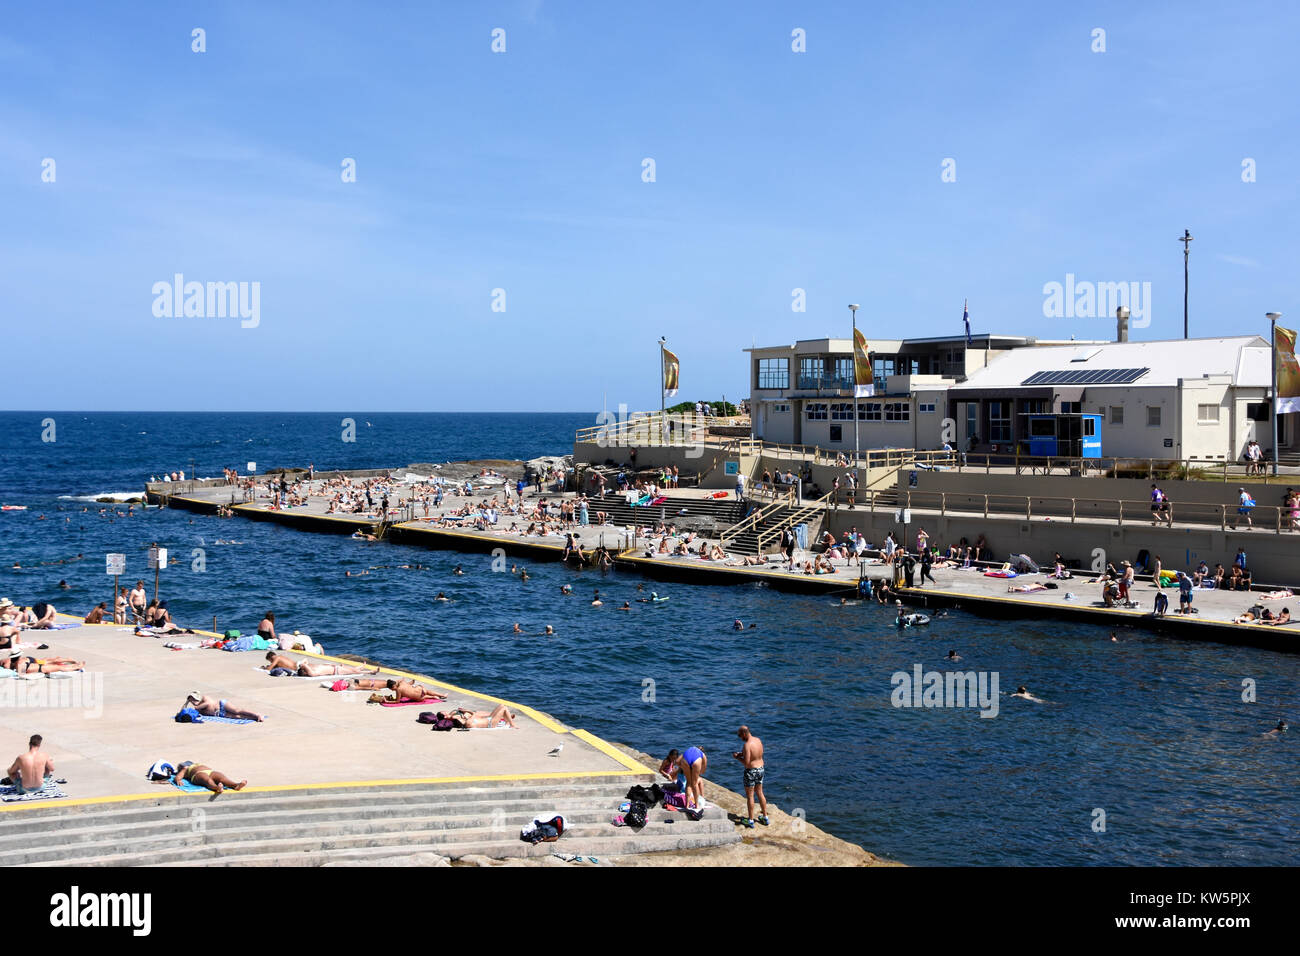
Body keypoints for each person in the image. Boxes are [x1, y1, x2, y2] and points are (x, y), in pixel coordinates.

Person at [732, 725, 768, 828]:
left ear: (744, 734)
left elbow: (747, 763)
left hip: (751, 771)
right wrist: (741, 754)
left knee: (750, 796)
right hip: (761, 769)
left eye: (740, 736)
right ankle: (765, 817)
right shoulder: (758, 740)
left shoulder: (747, 745)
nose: (740, 738)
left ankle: (751, 820)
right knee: (760, 792)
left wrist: (737, 758)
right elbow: (757, 755)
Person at [172, 760, 245, 794]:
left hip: (210, 772)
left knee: (222, 778)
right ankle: (217, 788)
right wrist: (178, 780)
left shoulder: (196, 764)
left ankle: (236, 785)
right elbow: (178, 776)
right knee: (207, 780)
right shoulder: (185, 769)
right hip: (197, 774)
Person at [183, 692, 265, 722]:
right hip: (220, 714)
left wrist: (196, 706)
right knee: (236, 717)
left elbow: (208, 704)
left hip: (221, 705)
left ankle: (256, 714)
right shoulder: (199, 709)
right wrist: (187, 703)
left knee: (237, 711)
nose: (193, 702)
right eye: (191, 701)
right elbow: (184, 711)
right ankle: (254, 718)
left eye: (193, 699)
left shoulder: (204, 698)